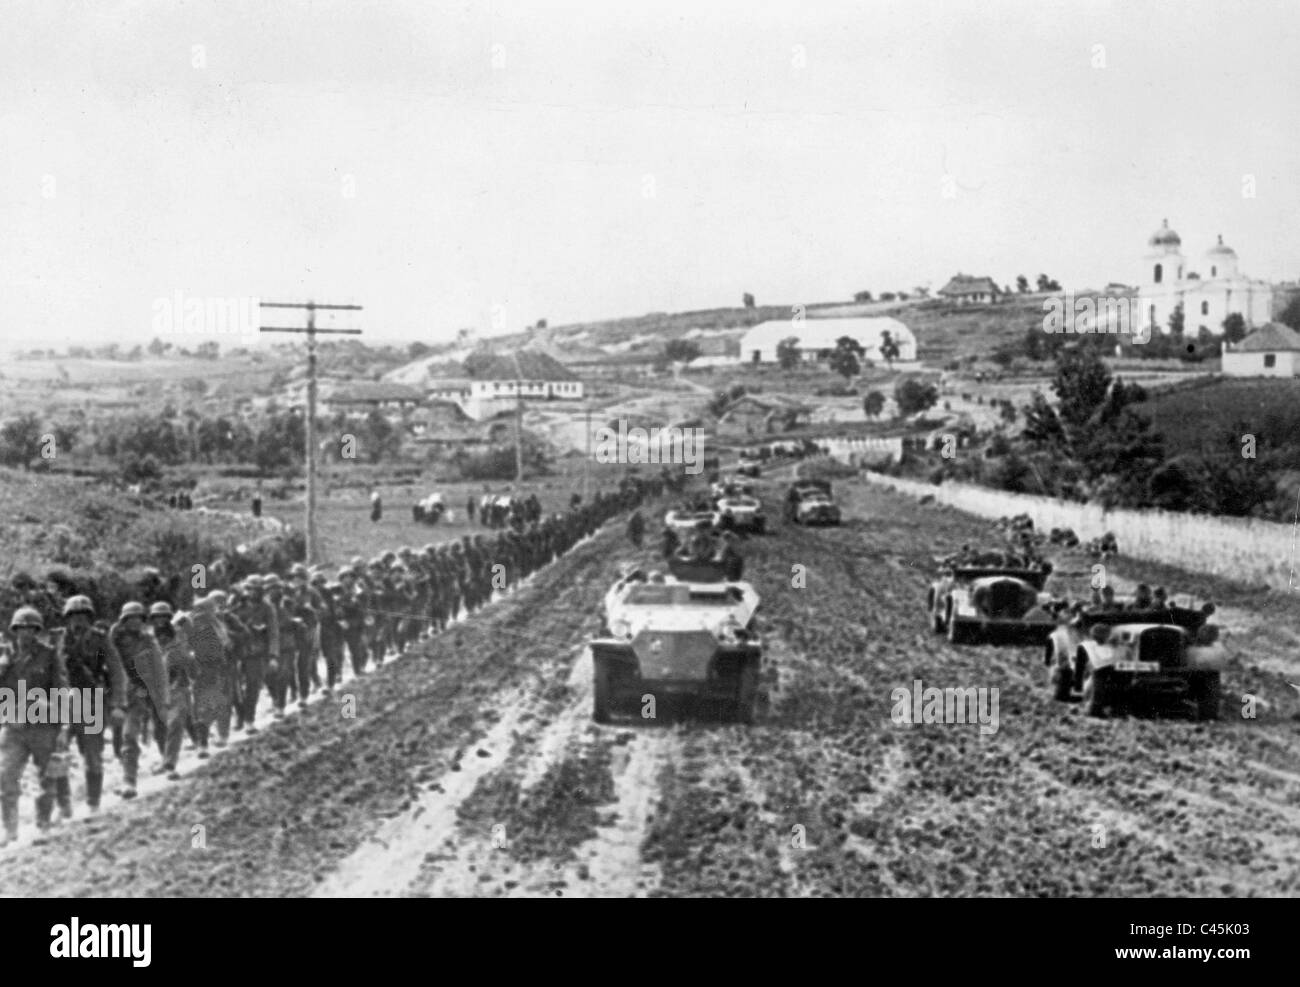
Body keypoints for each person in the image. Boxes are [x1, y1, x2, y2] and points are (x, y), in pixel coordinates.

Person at [0, 607, 70, 843]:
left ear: (37, 631)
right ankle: (10, 829)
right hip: (14, 726)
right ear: (15, 630)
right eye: (21, 628)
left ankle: (43, 823)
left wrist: (63, 725)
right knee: (6, 776)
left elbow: (61, 689)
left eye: (30, 629)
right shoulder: (6, 655)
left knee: (46, 777)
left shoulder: (49, 655)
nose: (25, 633)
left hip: (43, 724)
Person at [53, 595, 126, 816]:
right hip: (64, 701)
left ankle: (93, 802)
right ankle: (64, 804)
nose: (78, 621)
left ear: (90, 618)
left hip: (92, 700)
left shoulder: (100, 640)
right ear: (68, 618)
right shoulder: (58, 640)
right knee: (57, 752)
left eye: (83, 616)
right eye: (74, 616)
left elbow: (116, 671)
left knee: (92, 753)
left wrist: (117, 704)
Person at [108, 602, 169, 800]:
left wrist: (161, 695)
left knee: (132, 735)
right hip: (117, 695)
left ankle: (130, 780)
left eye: (138, 619)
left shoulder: (148, 640)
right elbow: (104, 658)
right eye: (130, 619)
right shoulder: (114, 639)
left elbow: (159, 668)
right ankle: (125, 771)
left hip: (140, 692)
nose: (134, 622)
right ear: (123, 621)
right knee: (120, 739)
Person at [149, 602, 196, 780]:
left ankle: (170, 763)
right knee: (159, 727)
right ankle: (165, 758)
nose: (160, 621)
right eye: (156, 618)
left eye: (164, 617)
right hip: (155, 688)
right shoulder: (148, 639)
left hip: (178, 683)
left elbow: (188, 655)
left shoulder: (178, 636)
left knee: (176, 721)